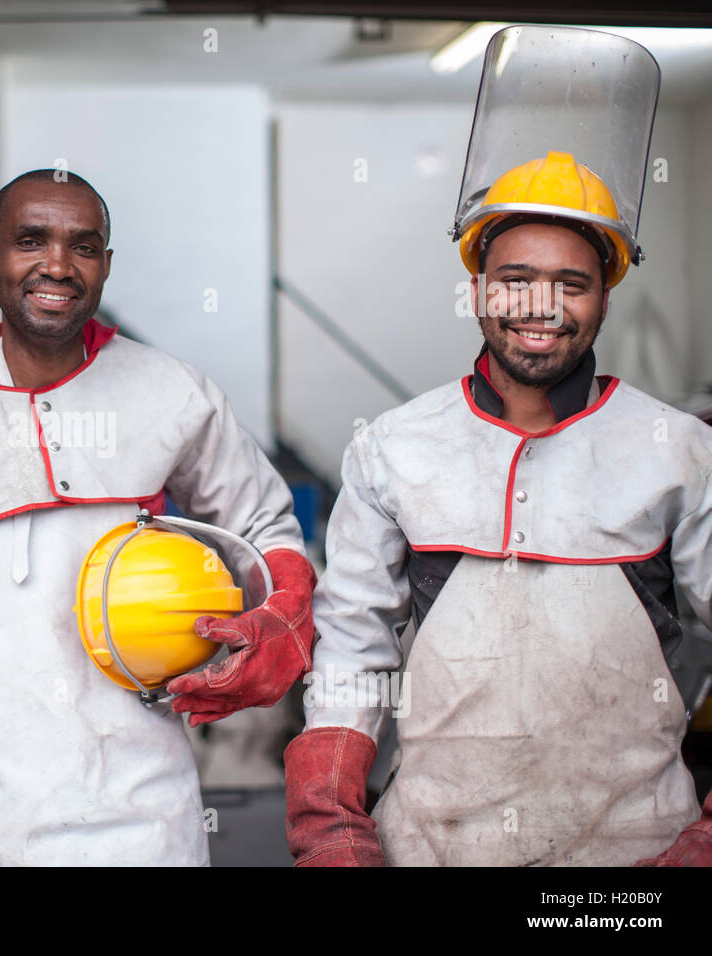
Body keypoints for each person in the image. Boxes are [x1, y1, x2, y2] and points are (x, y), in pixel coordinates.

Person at [0, 170, 315, 866]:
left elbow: (265, 524)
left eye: (84, 246)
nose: (58, 265)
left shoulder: (170, 392)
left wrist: (283, 615)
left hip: (148, 808)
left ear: (105, 264)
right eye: (30, 241)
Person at [285, 149, 712, 866]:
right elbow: (353, 649)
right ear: (479, 289)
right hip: (432, 845)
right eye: (515, 280)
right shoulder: (394, 448)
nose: (540, 306)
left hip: (635, 854)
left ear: (604, 298)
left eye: (571, 284)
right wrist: (326, 815)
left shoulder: (677, 453)